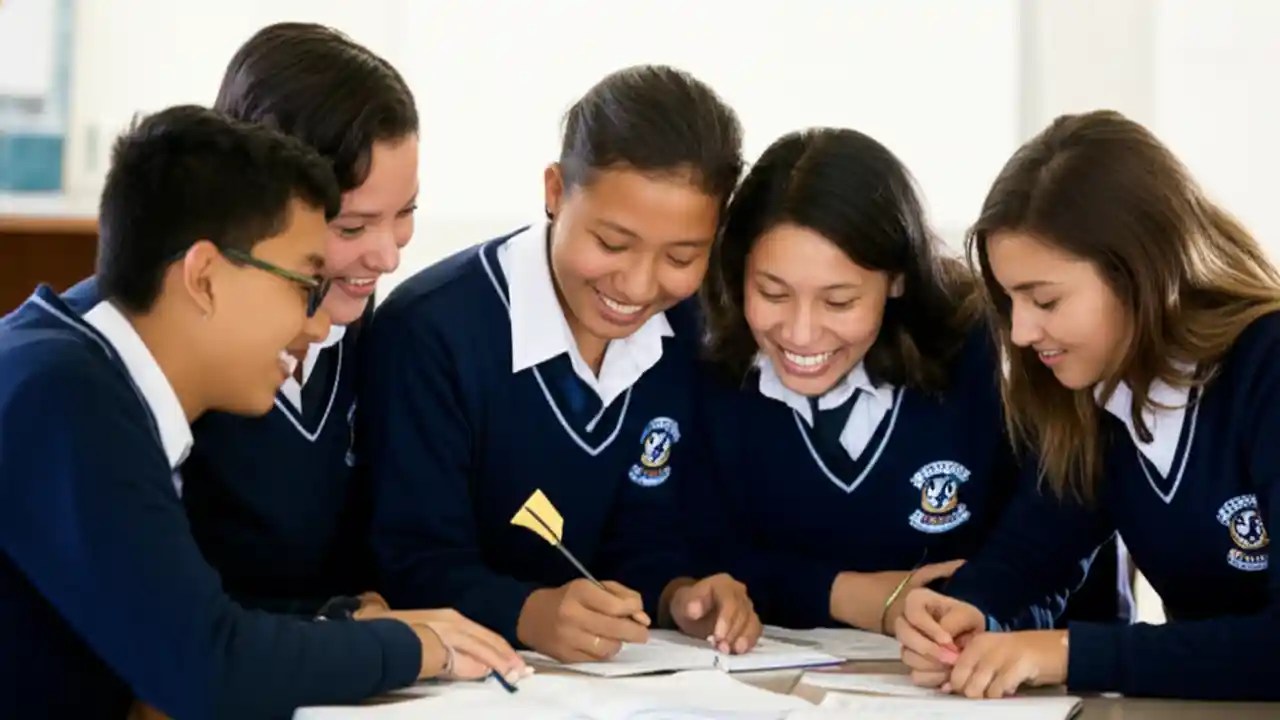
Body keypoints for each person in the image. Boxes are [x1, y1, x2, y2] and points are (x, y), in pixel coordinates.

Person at [0, 106, 522, 719]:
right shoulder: (64, 396)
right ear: (204, 277)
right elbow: (204, 668)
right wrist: (412, 648)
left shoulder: (75, 368)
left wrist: (340, 623)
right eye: (304, 285)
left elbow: (176, 619)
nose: (318, 322)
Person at [364, 65, 761, 662]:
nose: (638, 284)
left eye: (682, 255)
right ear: (554, 192)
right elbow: (408, 559)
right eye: (612, 243)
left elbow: (645, 532)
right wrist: (527, 612)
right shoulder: (433, 330)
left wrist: (680, 595)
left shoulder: (689, 331)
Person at [895, 109, 1280, 701]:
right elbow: (1030, 553)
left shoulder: (1267, 368)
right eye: (1010, 301)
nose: (1020, 332)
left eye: (1044, 300)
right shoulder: (1097, 394)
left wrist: (1070, 652)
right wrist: (961, 612)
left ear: (1138, 273)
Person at [690, 127, 1124, 635]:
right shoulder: (707, 360)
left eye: (839, 301)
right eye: (773, 293)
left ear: (897, 278)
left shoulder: (996, 349)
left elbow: (1048, 555)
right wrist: (850, 596)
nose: (801, 333)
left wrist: (973, 620)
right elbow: (697, 557)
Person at [185, 22, 420, 614]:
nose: (388, 256)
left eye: (405, 213)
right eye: (351, 228)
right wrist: (329, 625)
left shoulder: (368, 334)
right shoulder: (170, 356)